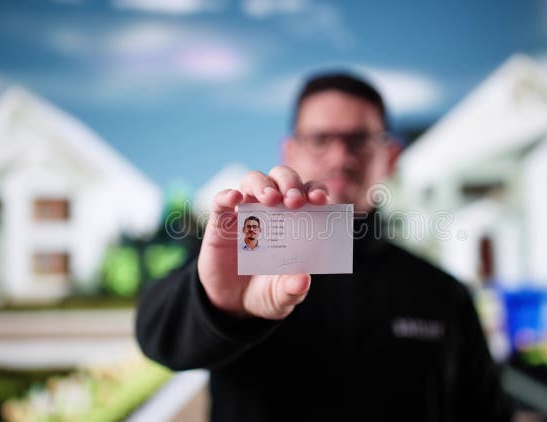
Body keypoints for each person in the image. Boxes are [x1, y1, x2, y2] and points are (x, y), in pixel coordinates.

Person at [136, 72, 512, 421]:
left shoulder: (444, 295)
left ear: (390, 156)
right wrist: (217, 307)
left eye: (359, 140)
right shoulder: (242, 262)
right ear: (290, 151)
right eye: (319, 139)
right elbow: (156, 335)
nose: (339, 156)